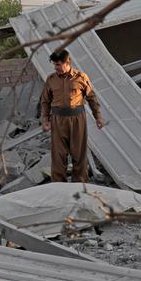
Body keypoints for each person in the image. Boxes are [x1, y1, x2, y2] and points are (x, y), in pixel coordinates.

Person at [40, 49, 104, 182]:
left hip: (77, 119)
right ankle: (59, 185)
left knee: (79, 153)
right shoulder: (51, 79)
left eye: (58, 64)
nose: (55, 68)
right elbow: (45, 101)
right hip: (58, 120)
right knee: (58, 155)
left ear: (67, 63)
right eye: (54, 64)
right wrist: (45, 119)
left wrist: (98, 117)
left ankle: (80, 185)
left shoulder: (81, 77)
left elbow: (92, 98)